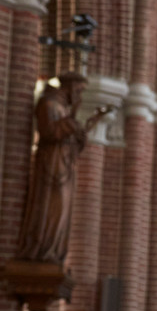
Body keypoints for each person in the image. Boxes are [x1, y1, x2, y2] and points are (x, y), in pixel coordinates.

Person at [16, 72, 110, 264]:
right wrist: (71, 125)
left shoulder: (64, 109)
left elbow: (73, 137)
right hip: (51, 164)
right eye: (79, 90)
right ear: (70, 87)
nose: (80, 95)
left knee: (63, 209)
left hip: (64, 164)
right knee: (53, 206)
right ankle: (42, 249)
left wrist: (89, 122)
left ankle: (55, 251)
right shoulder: (49, 104)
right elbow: (49, 132)